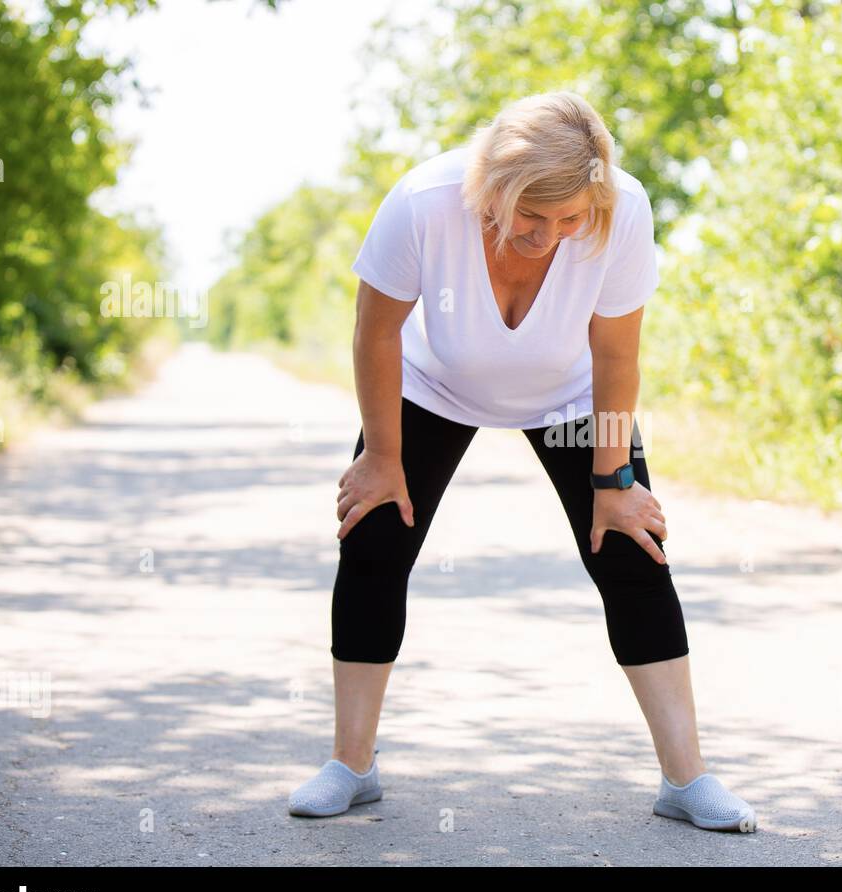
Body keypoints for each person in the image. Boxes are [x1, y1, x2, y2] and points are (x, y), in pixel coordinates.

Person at [287, 91, 756, 832]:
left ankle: (686, 778)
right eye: (532, 218)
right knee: (374, 535)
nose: (552, 236)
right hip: (431, 384)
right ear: (492, 193)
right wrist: (381, 455)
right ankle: (352, 765)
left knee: (633, 546)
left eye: (571, 219)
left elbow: (615, 352)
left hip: (570, 395)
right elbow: (374, 332)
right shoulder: (422, 204)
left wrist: (613, 481)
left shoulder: (621, 211)